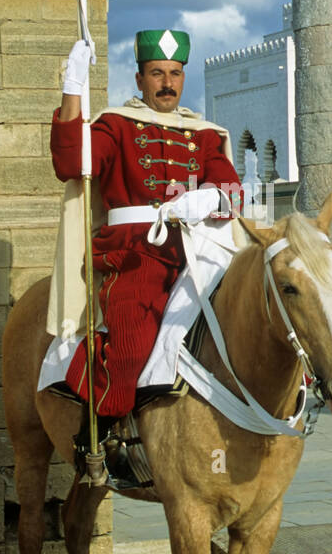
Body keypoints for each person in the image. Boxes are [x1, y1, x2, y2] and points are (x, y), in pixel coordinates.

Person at [47, 29, 243, 418]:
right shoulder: (116, 125)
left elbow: (233, 193)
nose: (168, 84)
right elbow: (70, 165)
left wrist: (212, 197)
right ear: (139, 79)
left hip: (194, 251)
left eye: (175, 73)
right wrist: (73, 85)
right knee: (131, 343)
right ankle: (106, 430)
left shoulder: (201, 135)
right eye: (157, 73)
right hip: (133, 253)